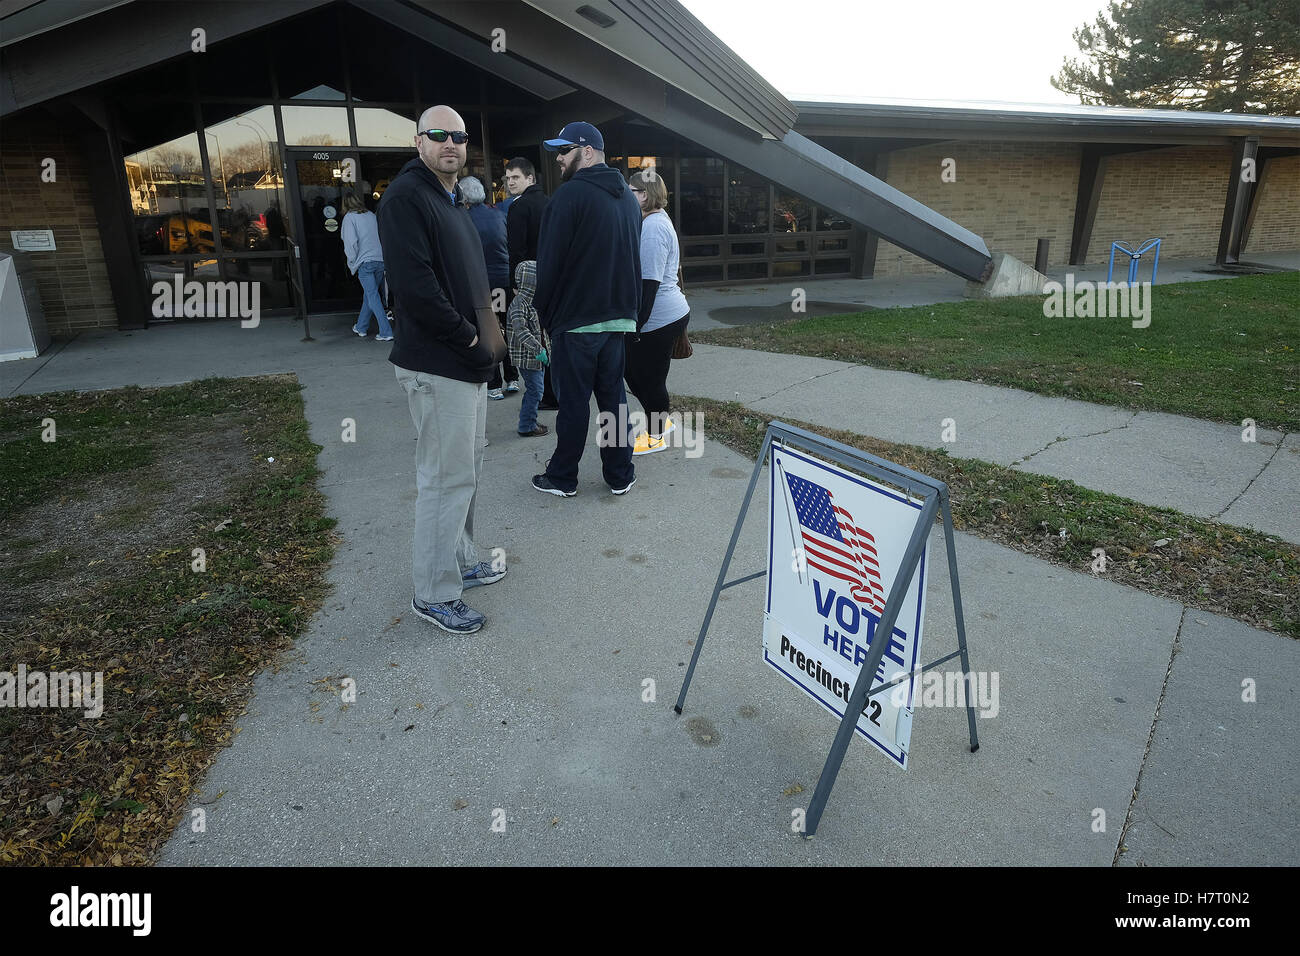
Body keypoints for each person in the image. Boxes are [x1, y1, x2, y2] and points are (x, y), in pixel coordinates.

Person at [377, 105, 508, 634]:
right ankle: (433, 592)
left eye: (458, 135)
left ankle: (461, 559)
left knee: (466, 472)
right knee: (444, 480)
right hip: (439, 363)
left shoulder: (447, 197)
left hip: (466, 363)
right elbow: (415, 289)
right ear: (418, 142)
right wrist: (469, 335)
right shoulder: (407, 198)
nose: (450, 143)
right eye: (438, 135)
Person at [531, 121, 641, 498]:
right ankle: (620, 475)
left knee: (574, 406)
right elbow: (632, 259)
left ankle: (562, 477)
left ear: (587, 152)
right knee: (614, 402)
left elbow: (550, 264)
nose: (558, 159)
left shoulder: (568, 197)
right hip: (617, 320)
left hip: (576, 322)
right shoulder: (627, 197)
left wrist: (545, 316)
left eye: (564, 151)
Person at [625, 168, 690, 455]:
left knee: (645, 376)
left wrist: (636, 327)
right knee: (645, 375)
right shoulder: (655, 220)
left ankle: (656, 436)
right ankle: (662, 424)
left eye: (632, 191)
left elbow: (649, 284)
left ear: (644, 195)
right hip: (668, 312)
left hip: (660, 316)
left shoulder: (652, 228)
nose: (627, 195)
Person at [505, 157, 558, 410]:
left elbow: (516, 250)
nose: (510, 182)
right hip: (551, 278)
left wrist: (515, 285)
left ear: (530, 178)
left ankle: (546, 394)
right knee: (549, 335)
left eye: (515, 177)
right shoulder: (549, 202)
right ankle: (555, 391)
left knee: (533, 337)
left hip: (527, 280)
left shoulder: (519, 207)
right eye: (508, 177)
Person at [460, 175, 518, 399]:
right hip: (503, 280)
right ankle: (512, 377)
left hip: (482, 284)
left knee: (489, 330)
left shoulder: (464, 219)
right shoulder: (498, 214)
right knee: (506, 327)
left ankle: (493, 384)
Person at [342, 191, 392, 341]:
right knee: (369, 296)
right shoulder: (371, 215)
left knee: (372, 297)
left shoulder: (349, 218)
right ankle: (361, 327)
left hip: (365, 262)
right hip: (380, 260)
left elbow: (351, 244)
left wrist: (352, 263)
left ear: (345, 204)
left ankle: (386, 331)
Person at [507, 260, 548, 438]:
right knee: (535, 390)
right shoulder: (519, 303)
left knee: (536, 389)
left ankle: (530, 419)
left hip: (536, 357)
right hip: (527, 357)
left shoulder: (532, 302)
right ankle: (526, 425)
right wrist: (538, 349)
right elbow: (520, 330)